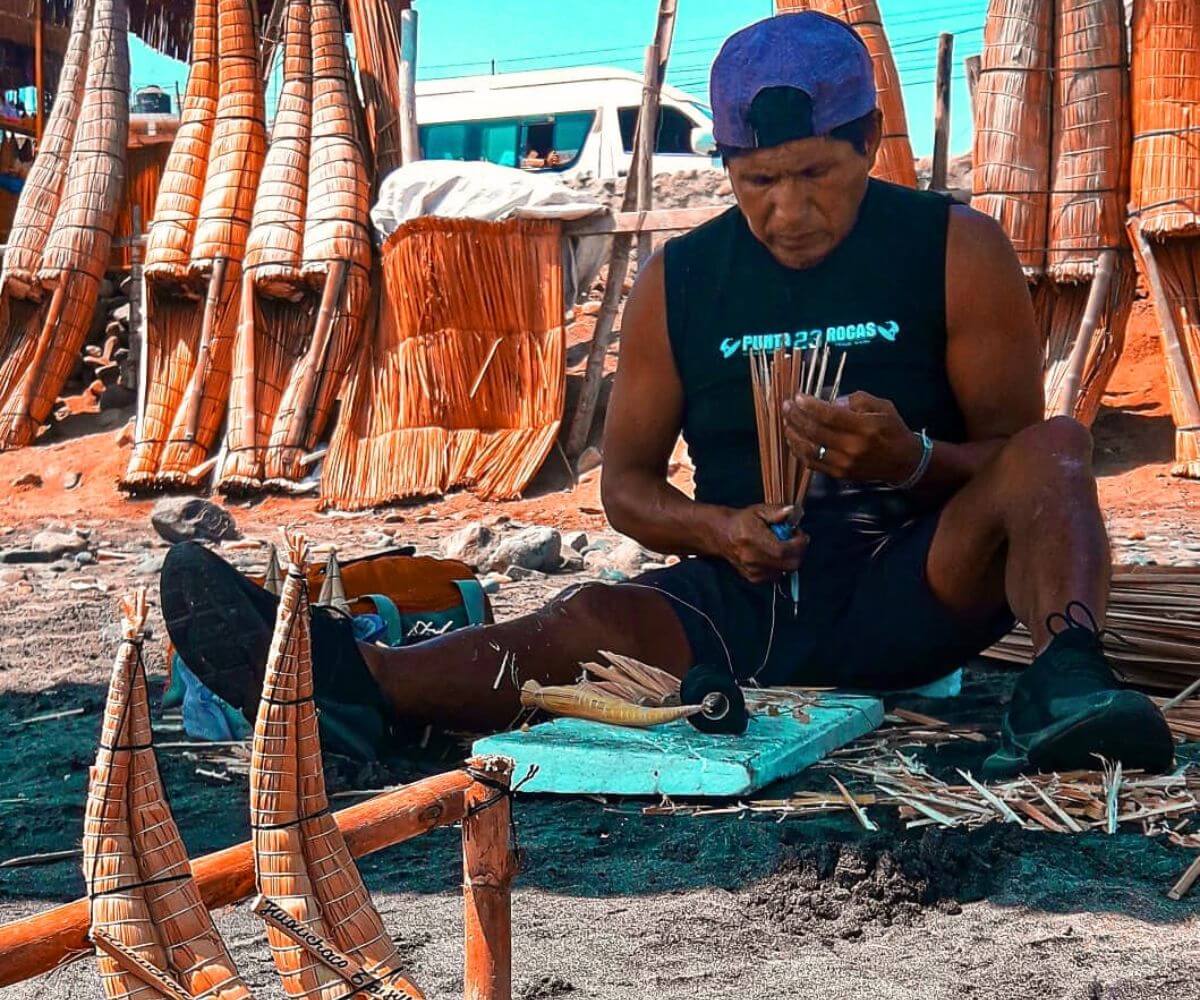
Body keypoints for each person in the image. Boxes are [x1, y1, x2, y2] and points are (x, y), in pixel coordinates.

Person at [167, 12, 1173, 778]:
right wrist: (720, 528)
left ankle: (1069, 681)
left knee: (1059, 444)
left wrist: (909, 461)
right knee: (583, 619)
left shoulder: (955, 248)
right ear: (726, 161)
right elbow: (630, 489)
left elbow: (1017, 464)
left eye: (819, 173)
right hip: (748, 595)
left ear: (868, 140)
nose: (790, 210)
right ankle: (351, 685)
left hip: (918, 580)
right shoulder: (679, 282)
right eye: (758, 180)